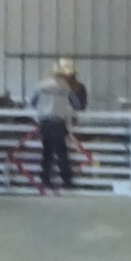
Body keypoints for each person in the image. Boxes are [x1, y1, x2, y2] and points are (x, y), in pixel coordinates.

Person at [30, 58, 85, 191]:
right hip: (58, 122)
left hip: (44, 121)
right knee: (62, 152)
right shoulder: (65, 87)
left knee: (47, 151)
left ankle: (45, 179)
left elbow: (32, 102)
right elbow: (77, 104)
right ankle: (66, 180)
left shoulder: (41, 85)